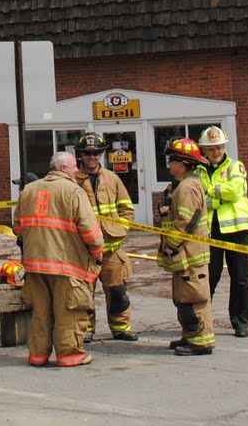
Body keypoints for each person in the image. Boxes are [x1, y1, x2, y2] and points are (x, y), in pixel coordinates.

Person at [13, 151, 105, 367]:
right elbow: (90, 232)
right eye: (74, 166)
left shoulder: (28, 191)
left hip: (35, 266)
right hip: (66, 266)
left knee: (40, 313)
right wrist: (97, 252)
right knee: (69, 312)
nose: (77, 170)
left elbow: (18, 228)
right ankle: (69, 354)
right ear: (64, 168)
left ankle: (37, 355)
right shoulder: (73, 191)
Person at [73, 131, 137, 342]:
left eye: (96, 153)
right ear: (81, 155)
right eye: (87, 153)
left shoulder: (112, 178)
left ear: (101, 154)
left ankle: (121, 328)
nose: (92, 157)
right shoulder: (73, 180)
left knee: (118, 292)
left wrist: (121, 230)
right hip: (84, 251)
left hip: (111, 249)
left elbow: (126, 208)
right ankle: (86, 331)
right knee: (84, 294)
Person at [157, 137, 214, 356]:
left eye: (172, 161)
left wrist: (170, 245)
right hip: (185, 254)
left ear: (182, 163)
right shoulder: (183, 185)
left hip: (189, 254)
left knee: (193, 298)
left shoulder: (187, 187)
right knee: (183, 298)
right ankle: (190, 335)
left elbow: (186, 221)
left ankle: (201, 341)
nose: (169, 165)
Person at [197, 126, 248, 338]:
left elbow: (234, 190)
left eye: (219, 147)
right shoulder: (198, 171)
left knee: (239, 278)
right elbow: (198, 198)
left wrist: (210, 193)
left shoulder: (235, 166)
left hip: (237, 230)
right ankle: (203, 322)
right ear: (204, 150)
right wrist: (218, 199)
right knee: (209, 277)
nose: (216, 152)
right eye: (211, 148)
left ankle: (240, 323)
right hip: (211, 230)